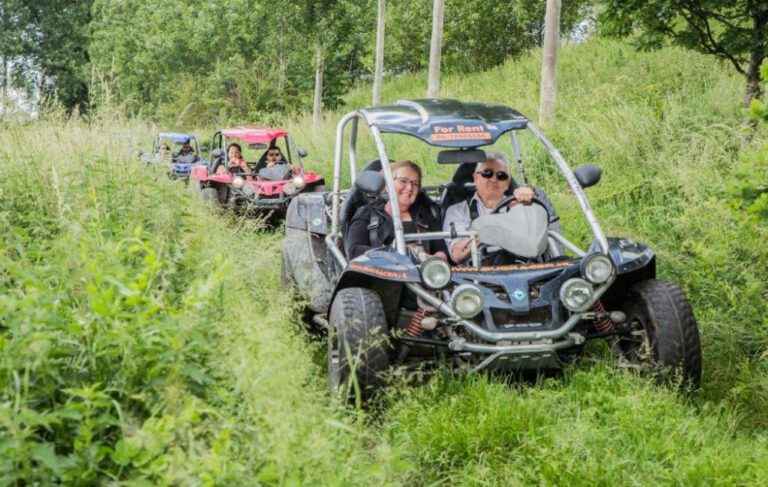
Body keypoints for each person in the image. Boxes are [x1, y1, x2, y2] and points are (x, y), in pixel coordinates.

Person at [345, 160, 448, 261]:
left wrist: (436, 259)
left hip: (424, 275)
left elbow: (442, 250)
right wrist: (397, 255)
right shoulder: (367, 213)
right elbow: (354, 251)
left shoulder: (426, 213)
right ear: (387, 185)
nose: (409, 188)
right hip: (379, 273)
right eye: (403, 181)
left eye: (415, 183)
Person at [443, 151, 534, 264]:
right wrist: (486, 233)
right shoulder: (458, 211)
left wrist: (527, 205)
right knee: (501, 258)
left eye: (501, 176)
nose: (494, 179)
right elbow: (457, 254)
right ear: (476, 178)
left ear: (507, 183)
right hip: (478, 274)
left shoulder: (519, 206)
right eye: (487, 173)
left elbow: (537, 241)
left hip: (521, 267)